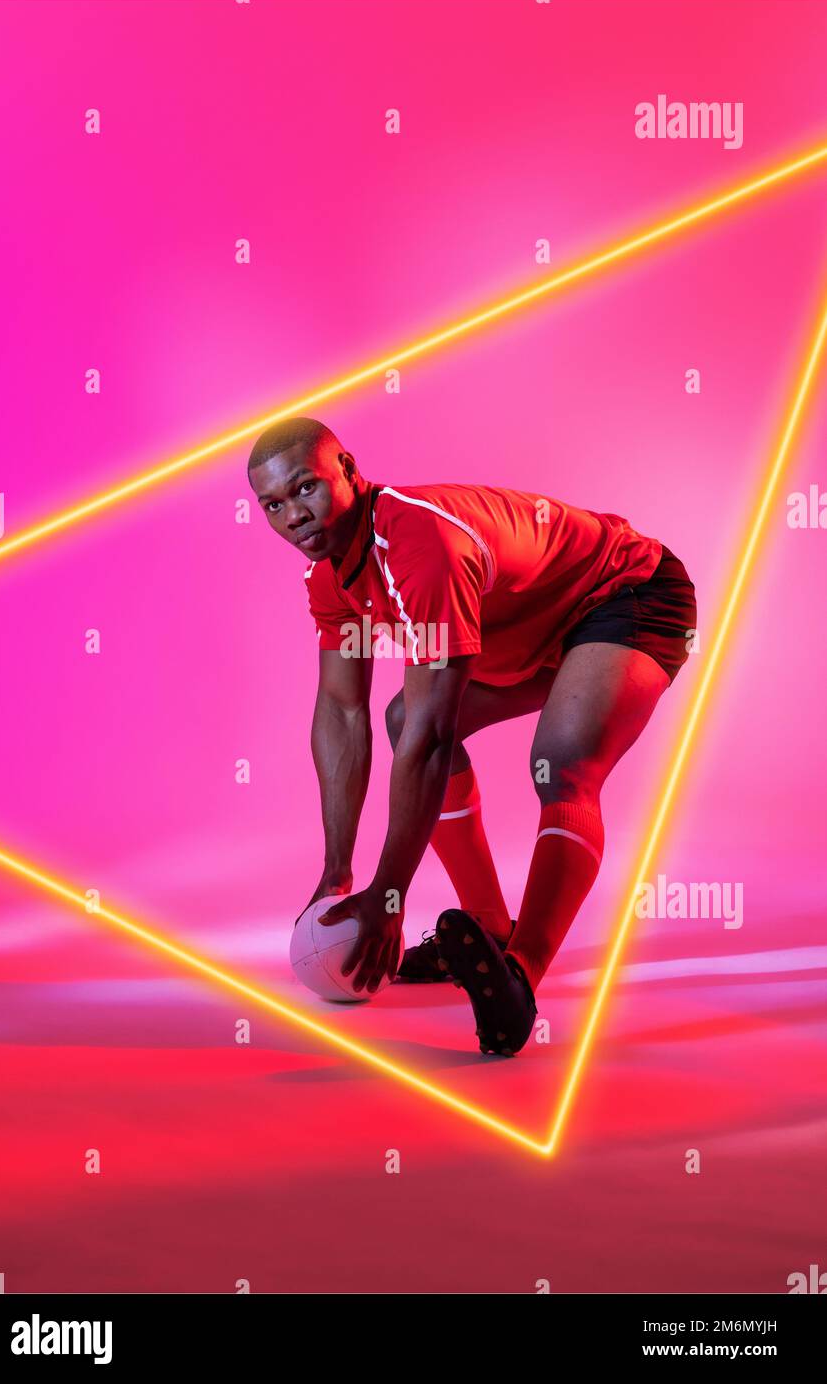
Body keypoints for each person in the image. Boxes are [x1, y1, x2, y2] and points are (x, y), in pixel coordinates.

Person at [248, 417, 697, 1056]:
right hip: (531, 631)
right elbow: (343, 712)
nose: (294, 515)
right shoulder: (329, 581)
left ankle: (519, 976)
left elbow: (433, 736)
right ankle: (487, 924)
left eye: (305, 488)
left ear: (347, 470)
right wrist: (337, 872)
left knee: (562, 763)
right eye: (273, 505)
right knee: (400, 717)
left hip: (624, 595)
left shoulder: (420, 545)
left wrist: (390, 894)